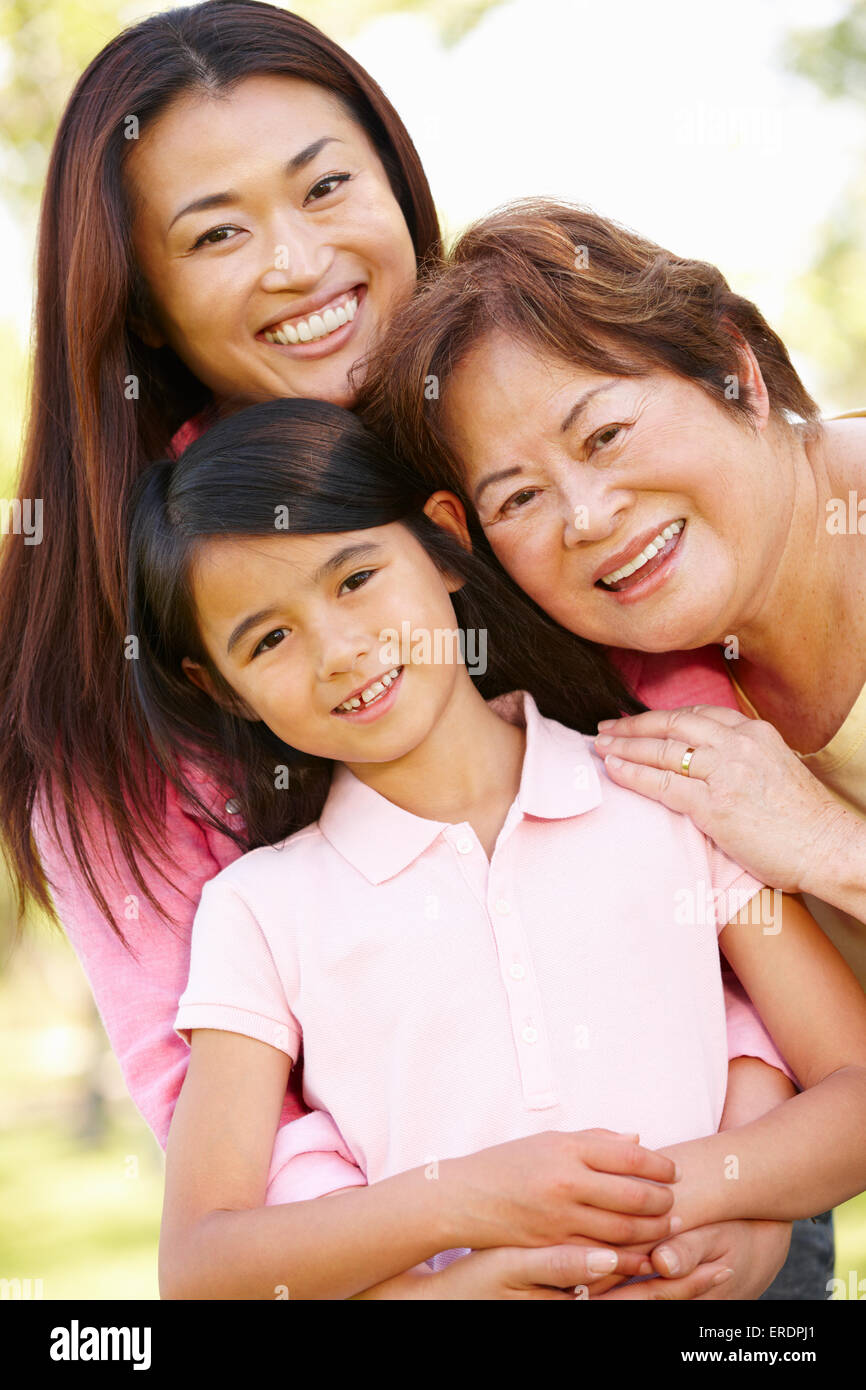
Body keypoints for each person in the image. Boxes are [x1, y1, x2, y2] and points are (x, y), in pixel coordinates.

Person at [0, 2, 797, 1299]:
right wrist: (462, 1249)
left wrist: (745, 1169)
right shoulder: (119, 649)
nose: (299, 259)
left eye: (327, 187)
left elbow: (709, 825)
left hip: (710, 1203)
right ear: (138, 304)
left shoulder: (526, 441)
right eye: (217, 233)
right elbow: (210, 1096)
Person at [124, 396, 866, 1300]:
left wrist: (693, 1203)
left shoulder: (664, 786)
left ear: (443, 542)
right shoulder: (260, 910)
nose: (339, 651)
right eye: (269, 638)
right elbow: (202, 1267)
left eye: (355, 578)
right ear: (224, 688)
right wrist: (470, 1208)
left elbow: (854, 1085)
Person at [354, 194, 866, 1298]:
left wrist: (826, 844)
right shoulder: (633, 698)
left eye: (604, 433)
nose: (585, 514)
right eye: (520, 496)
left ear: (732, 364)